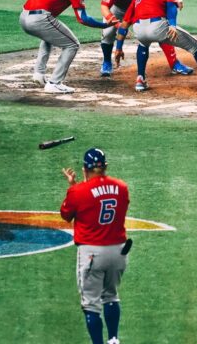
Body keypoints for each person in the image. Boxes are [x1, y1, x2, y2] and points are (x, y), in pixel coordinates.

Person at [60, 147, 131, 344]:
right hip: (118, 252)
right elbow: (103, 201)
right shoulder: (122, 187)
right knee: (111, 296)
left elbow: (66, 215)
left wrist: (73, 186)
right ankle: (114, 339)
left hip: (92, 253)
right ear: (105, 167)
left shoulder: (78, 192)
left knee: (91, 305)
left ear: (84, 169)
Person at [20, 0, 115, 94]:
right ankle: (54, 83)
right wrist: (104, 25)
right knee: (72, 45)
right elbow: (82, 18)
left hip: (23, 16)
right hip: (39, 19)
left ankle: (38, 74)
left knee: (48, 37)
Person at [97, 0, 191, 78]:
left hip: (140, 7)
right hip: (118, 9)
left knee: (161, 28)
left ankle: (174, 64)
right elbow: (104, 7)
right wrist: (115, 22)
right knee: (108, 33)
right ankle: (107, 62)